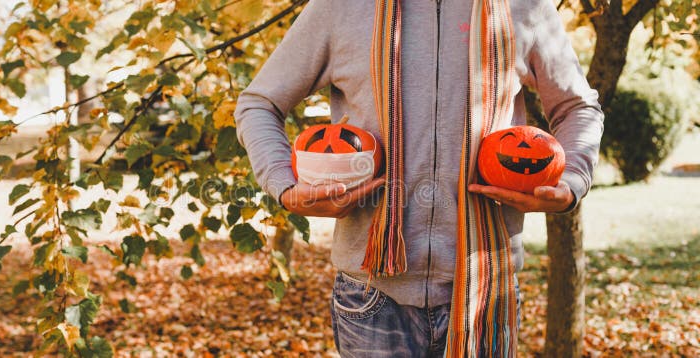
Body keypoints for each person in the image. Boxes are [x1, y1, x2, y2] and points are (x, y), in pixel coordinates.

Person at [234, 0, 603, 356]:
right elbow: (259, 103)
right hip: (371, 296)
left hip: (485, 289)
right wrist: (284, 186)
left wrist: (570, 182)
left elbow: (577, 107)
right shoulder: (340, 6)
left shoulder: (525, 6)